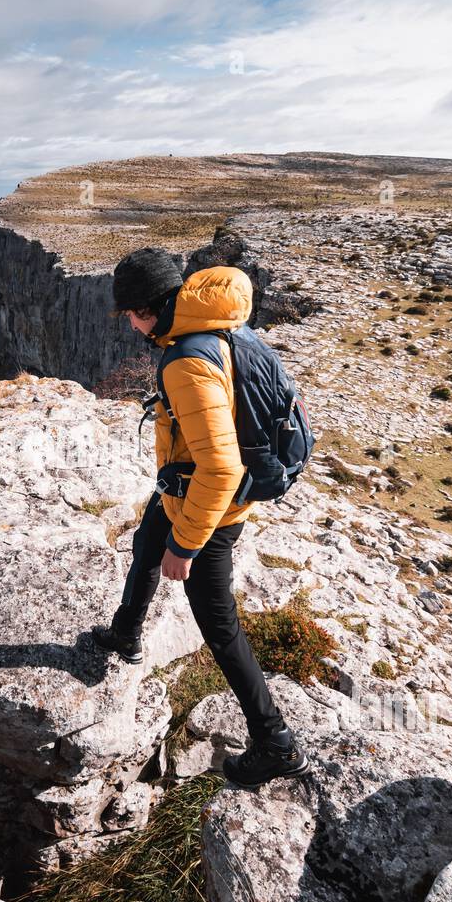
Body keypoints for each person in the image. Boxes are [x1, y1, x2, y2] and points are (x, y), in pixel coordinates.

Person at [92, 246, 309, 789]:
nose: (133, 326)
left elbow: (221, 466)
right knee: (146, 540)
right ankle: (125, 634)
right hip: (181, 492)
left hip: (209, 510)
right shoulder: (223, 328)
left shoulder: (188, 361)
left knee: (217, 623)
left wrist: (186, 545)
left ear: (156, 307)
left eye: (134, 314)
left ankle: (275, 743)